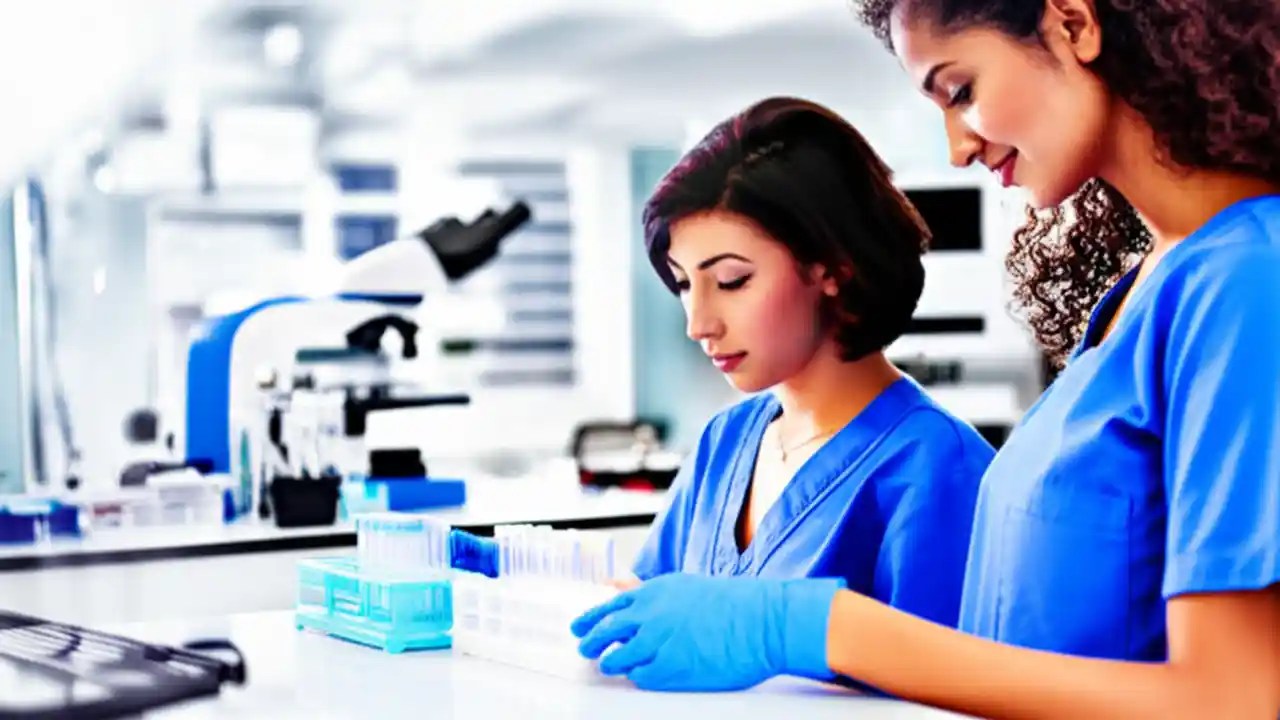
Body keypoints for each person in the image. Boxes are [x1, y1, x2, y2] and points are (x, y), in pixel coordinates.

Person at [569, 2, 1280, 717]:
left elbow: (1234, 698)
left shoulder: (1247, 279)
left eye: (962, 91)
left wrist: (813, 626)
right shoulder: (1146, 291)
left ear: (1073, 23)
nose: (958, 149)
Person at [454, 96, 995, 632]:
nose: (698, 324)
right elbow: (662, 606)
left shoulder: (937, 467)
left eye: (732, 281)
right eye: (685, 284)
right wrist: (530, 580)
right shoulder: (727, 441)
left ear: (833, 266)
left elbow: (945, 690)